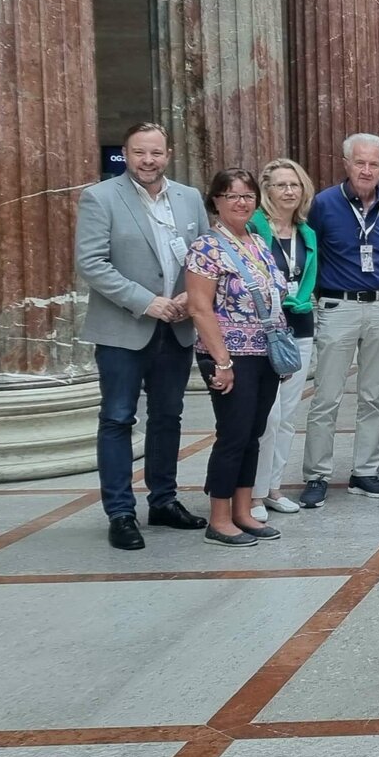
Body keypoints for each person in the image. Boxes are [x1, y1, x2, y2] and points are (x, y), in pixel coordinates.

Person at [76, 123, 208, 550]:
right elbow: (93, 264)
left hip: (178, 326)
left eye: (155, 153)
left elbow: (204, 254)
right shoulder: (101, 197)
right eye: (138, 153)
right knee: (117, 418)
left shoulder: (188, 198)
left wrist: (193, 295)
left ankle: (164, 501)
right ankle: (120, 512)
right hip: (124, 328)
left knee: (168, 418)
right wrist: (146, 301)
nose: (147, 161)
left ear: (168, 154)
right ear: (126, 154)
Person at [300, 133, 379, 507]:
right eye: (359, 163)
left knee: (373, 395)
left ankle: (365, 471)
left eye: (374, 164)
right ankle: (317, 473)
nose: (366, 170)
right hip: (338, 306)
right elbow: (309, 251)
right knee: (326, 396)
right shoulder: (324, 203)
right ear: (346, 164)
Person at [184, 168, 289, 548]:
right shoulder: (206, 247)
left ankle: (244, 511)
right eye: (232, 195)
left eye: (247, 195)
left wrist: (282, 353)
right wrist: (222, 362)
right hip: (229, 355)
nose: (241, 202)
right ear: (215, 200)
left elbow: (274, 299)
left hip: (264, 354)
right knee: (232, 435)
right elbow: (199, 307)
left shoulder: (259, 242)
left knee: (253, 435)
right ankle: (219, 517)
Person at [248, 158, 317, 522]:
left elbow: (308, 277)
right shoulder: (253, 228)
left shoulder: (307, 233)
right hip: (264, 328)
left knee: (289, 414)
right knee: (267, 416)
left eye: (294, 185)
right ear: (267, 190)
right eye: (280, 185)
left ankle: (274, 488)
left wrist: (297, 302)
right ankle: (255, 493)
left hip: (300, 324)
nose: (289, 191)